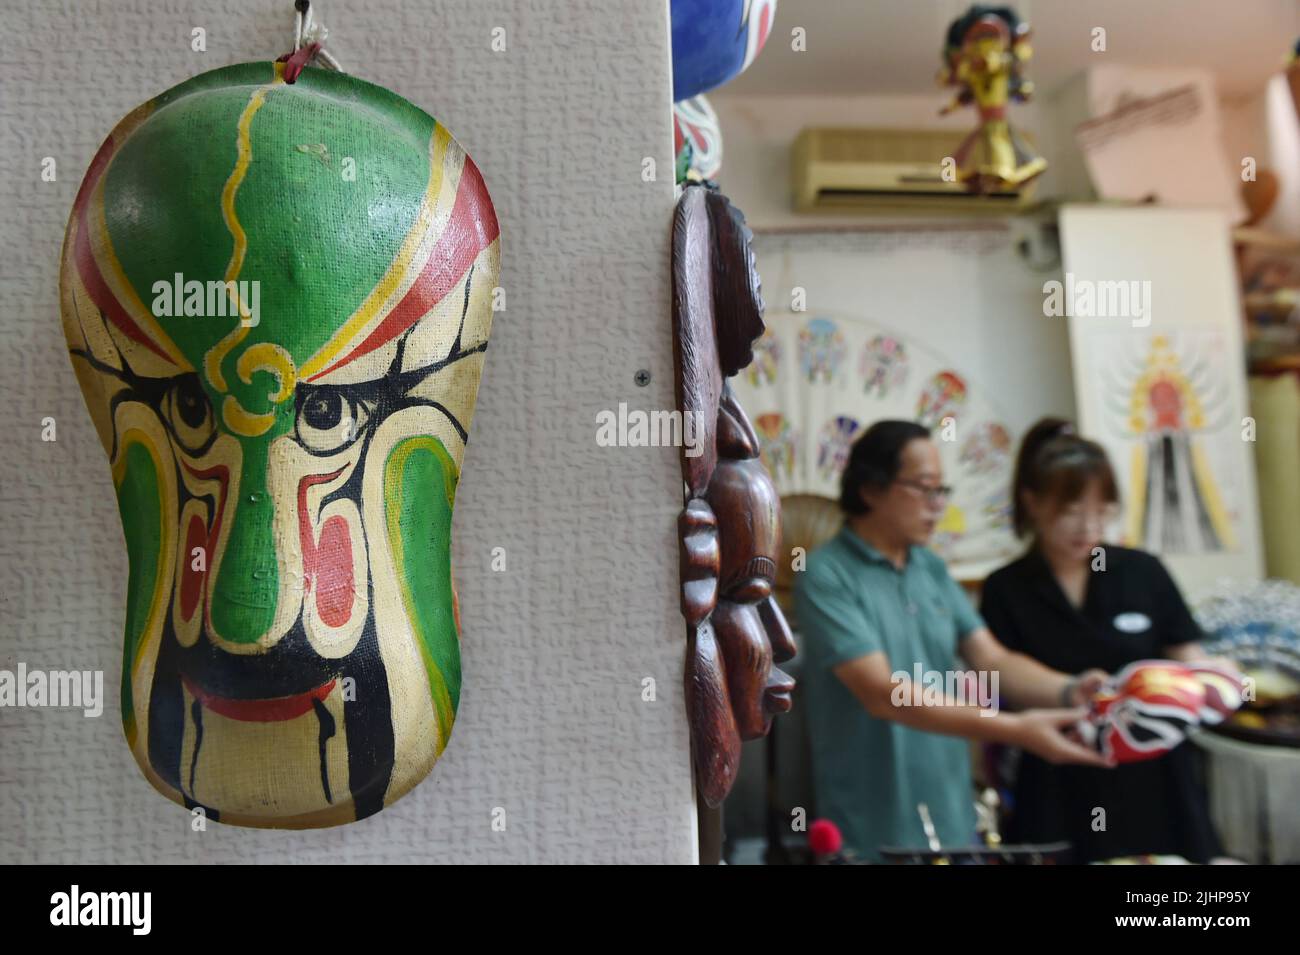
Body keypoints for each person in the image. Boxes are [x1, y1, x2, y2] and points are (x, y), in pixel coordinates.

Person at [794, 420, 1110, 862]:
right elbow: (884, 694)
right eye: (924, 489)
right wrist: (1016, 729)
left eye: (941, 490)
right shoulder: (826, 574)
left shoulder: (931, 569)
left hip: (951, 815)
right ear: (871, 489)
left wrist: (1068, 688)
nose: (937, 506)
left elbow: (991, 659)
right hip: (872, 826)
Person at [979, 418, 1226, 863]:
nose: (1087, 527)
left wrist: (1213, 679)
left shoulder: (1143, 572)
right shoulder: (1006, 589)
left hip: (1155, 774)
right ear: (1032, 503)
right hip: (1058, 769)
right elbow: (997, 677)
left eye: (1102, 511)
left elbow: (1186, 656)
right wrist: (1074, 691)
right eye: (1071, 510)